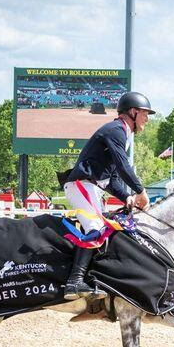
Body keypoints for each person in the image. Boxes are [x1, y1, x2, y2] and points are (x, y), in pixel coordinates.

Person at [61, 91, 155, 300]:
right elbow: (123, 166)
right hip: (80, 185)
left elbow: (112, 177)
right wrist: (140, 191)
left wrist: (127, 197)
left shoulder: (122, 134)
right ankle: (74, 282)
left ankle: (93, 277)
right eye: (145, 114)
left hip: (90, 186)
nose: (147, 119)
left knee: (106, 230)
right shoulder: (116, 131)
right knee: (96, 228)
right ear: (133, 112)